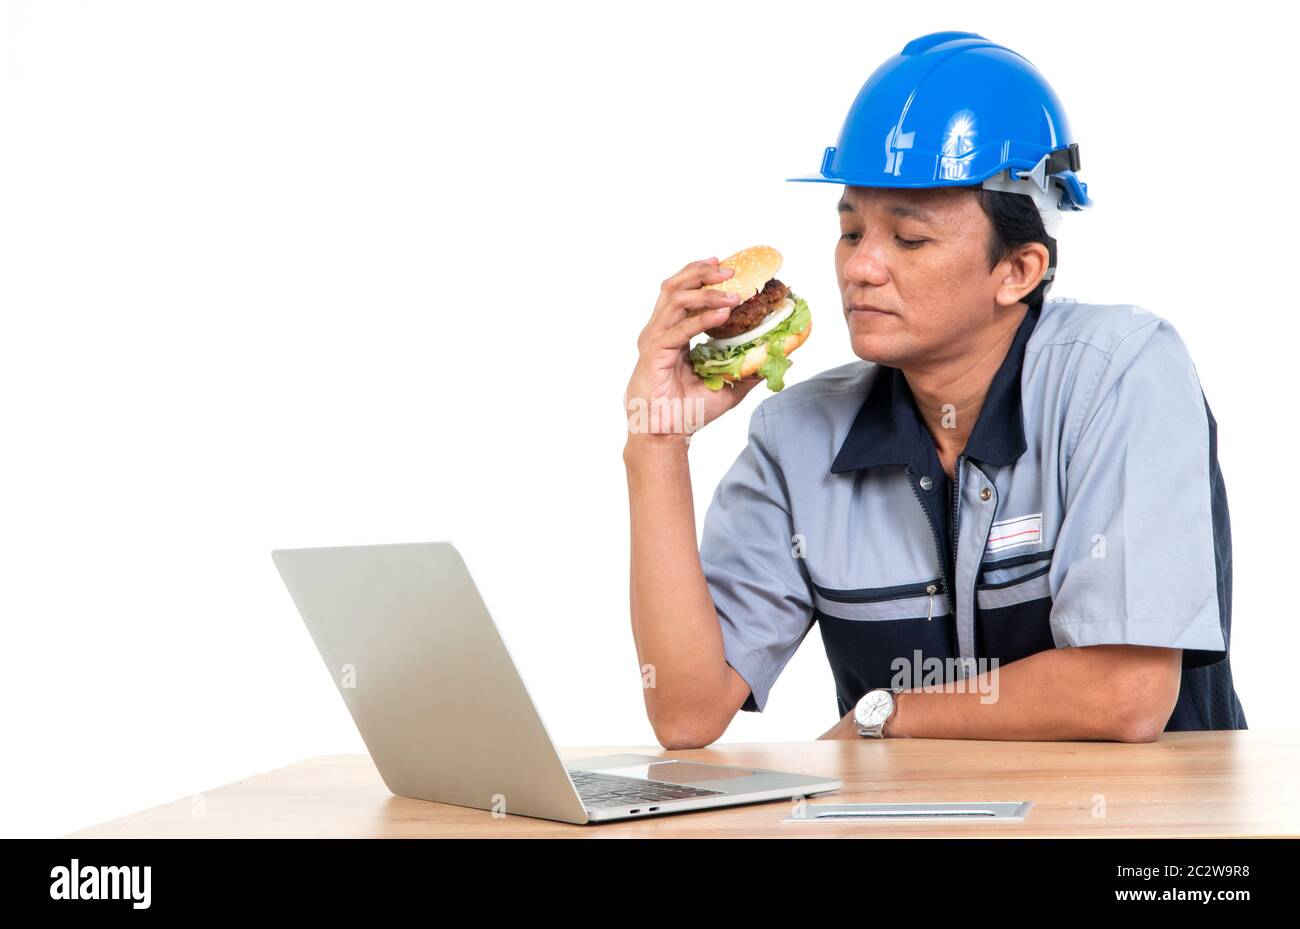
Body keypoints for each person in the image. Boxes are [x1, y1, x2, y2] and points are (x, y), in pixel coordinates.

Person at [622, 31, 1244, 747]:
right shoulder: (798, 435)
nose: (861, 268)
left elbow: (1125, 693)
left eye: (908, 239)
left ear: (1019, 269)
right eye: (851, 232)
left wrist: (883, 715)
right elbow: (685, 710)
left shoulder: (1123, 373)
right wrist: (657, 442)